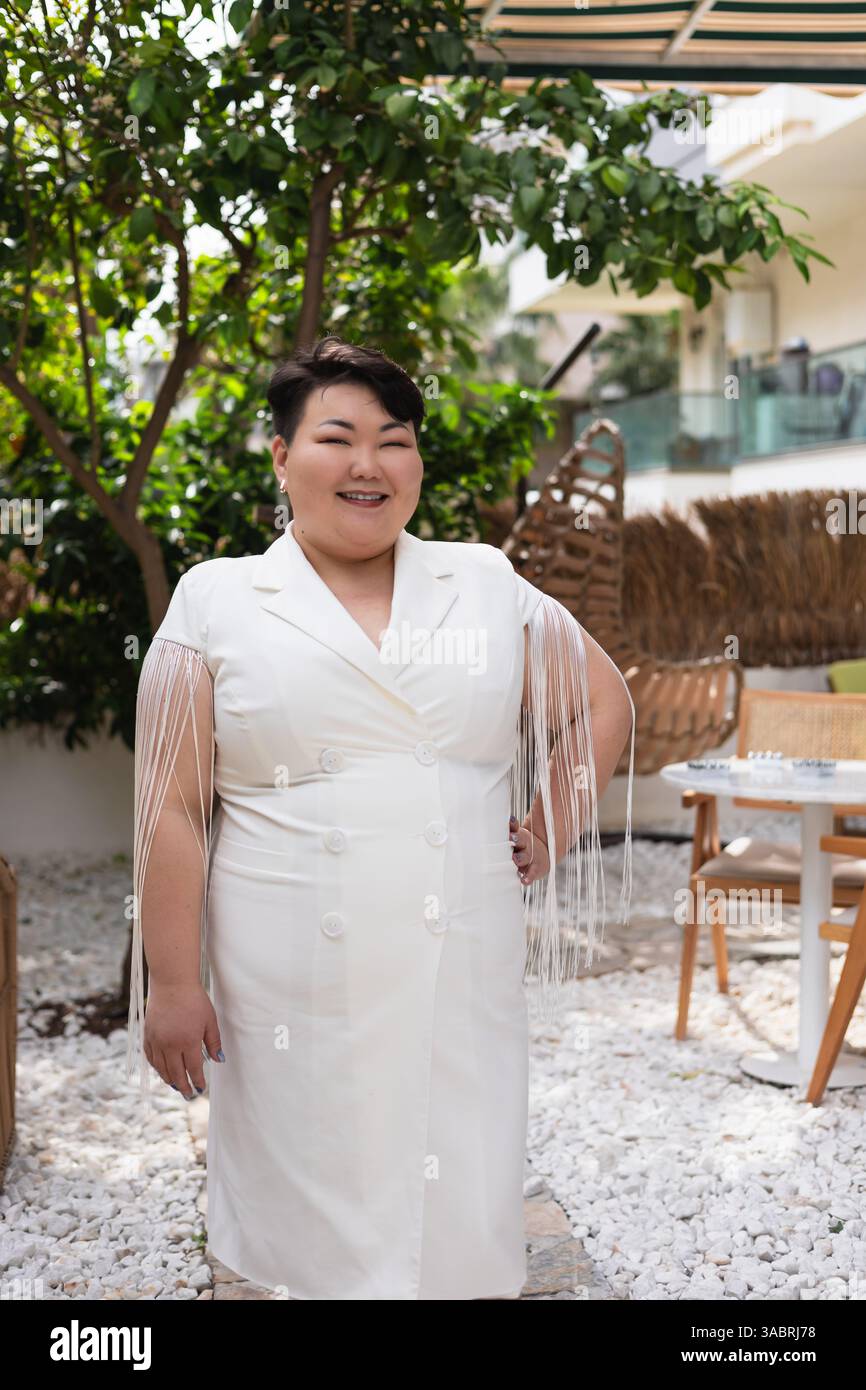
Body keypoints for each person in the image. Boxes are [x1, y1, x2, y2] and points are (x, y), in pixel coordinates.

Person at [126, 336, 635, 1301]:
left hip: (460, 944)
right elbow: (175, 810)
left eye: (394, 440)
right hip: (284, 963)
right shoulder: (218, 598)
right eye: (337, 437)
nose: (368, 464)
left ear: (416, 465)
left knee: (458, 1175)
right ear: (281, 458)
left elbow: (601, 703)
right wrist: (173, 983)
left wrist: (548, 827)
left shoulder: (484, 581)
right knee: (309, 1198)